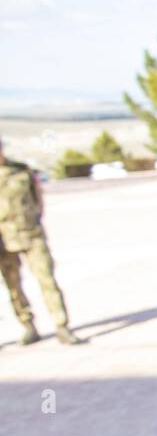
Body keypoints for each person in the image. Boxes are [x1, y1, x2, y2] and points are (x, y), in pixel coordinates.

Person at [0, 137, 83, 345]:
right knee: (13, 287)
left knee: (47, 280)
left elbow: (38, 200)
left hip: (31, 234)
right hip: (3, 240)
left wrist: (36, 220)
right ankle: (28, 325)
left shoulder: (22, 171)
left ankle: (61, 326)